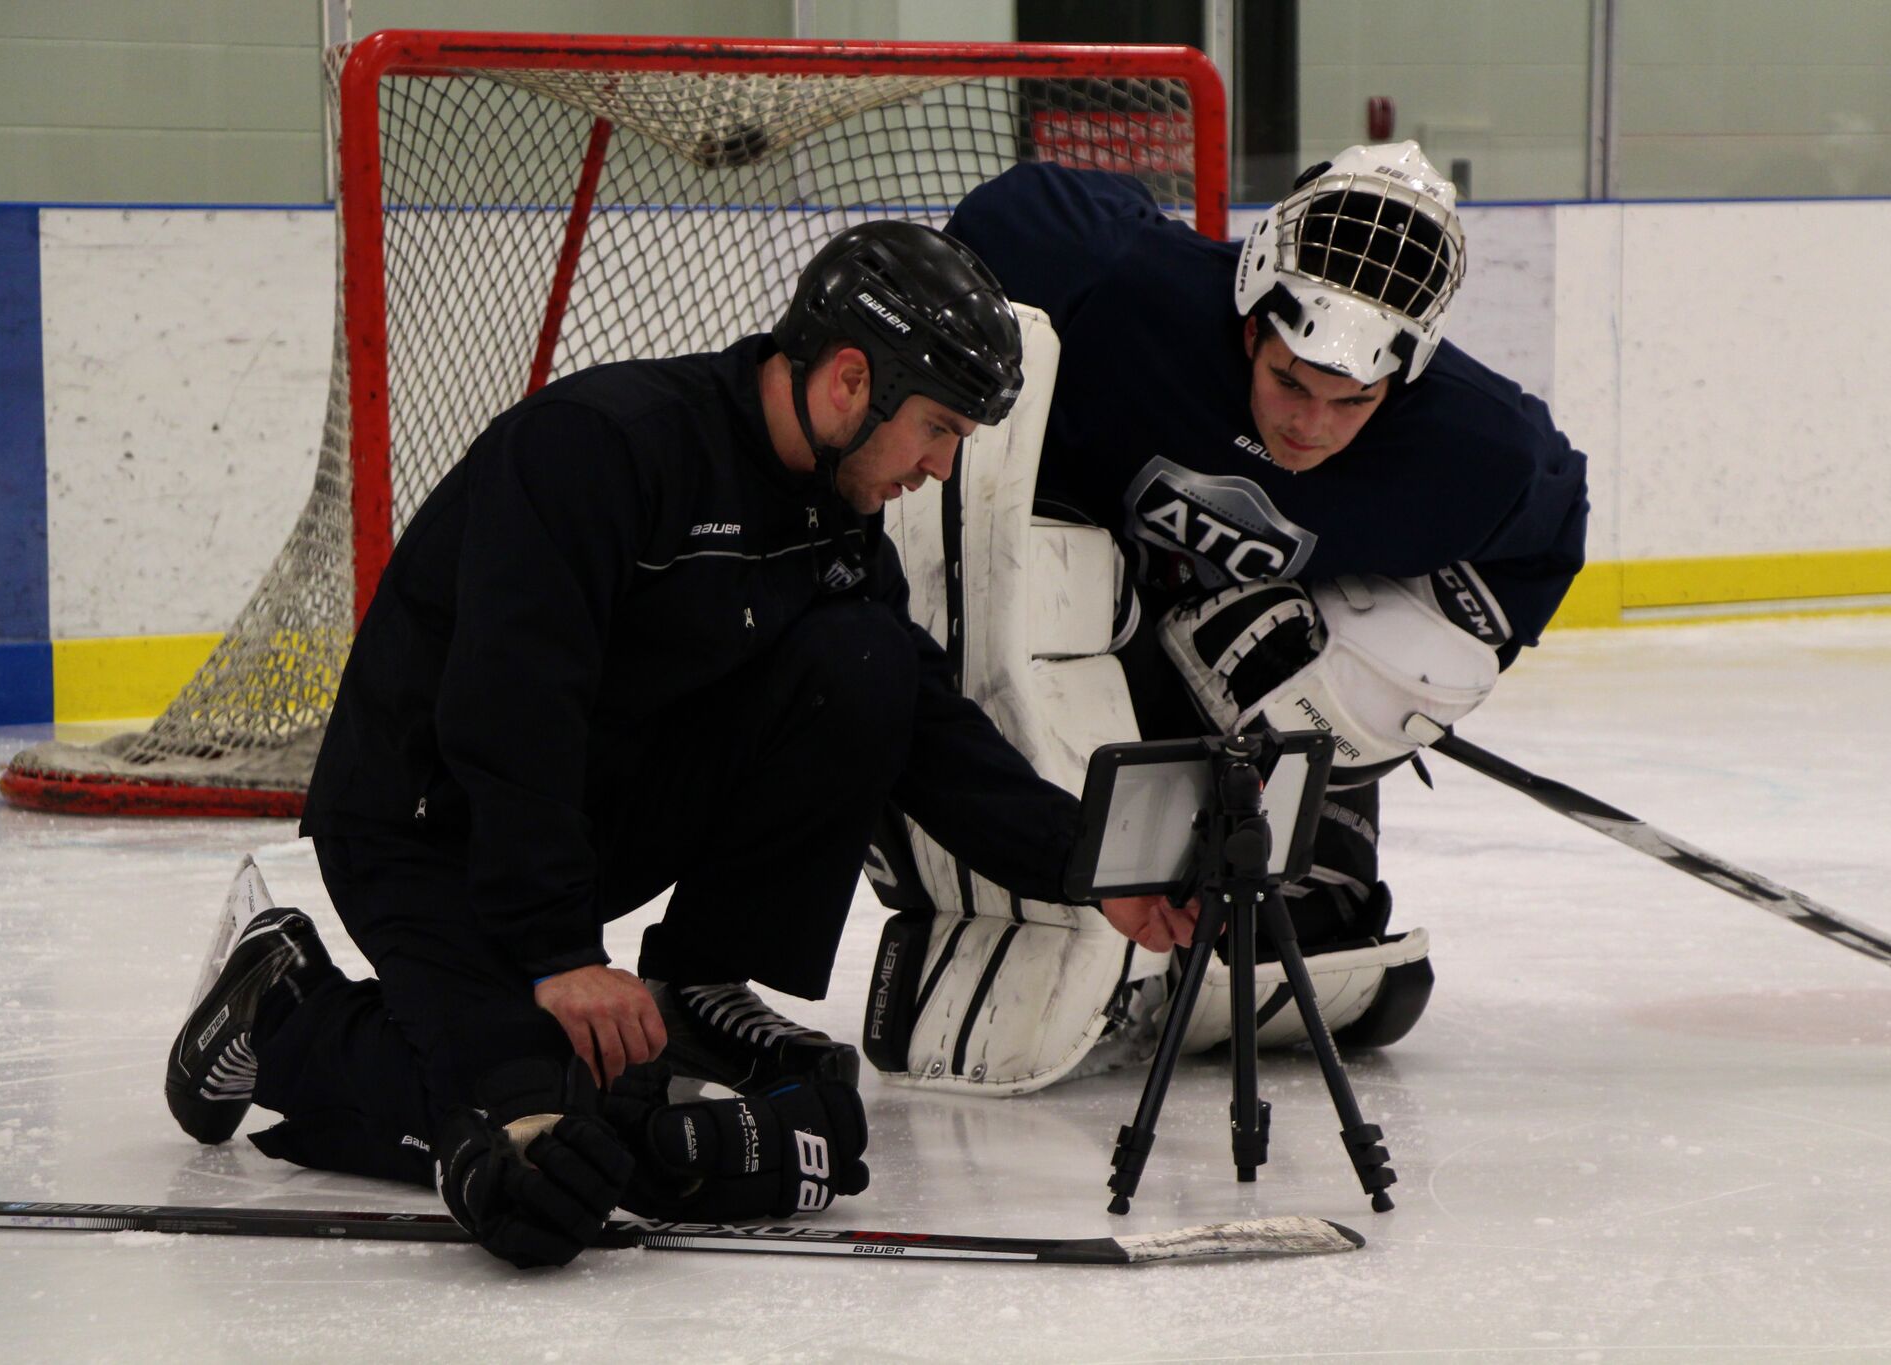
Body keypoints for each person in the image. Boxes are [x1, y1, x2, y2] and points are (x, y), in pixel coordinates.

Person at [162, 221, 1188, 1269]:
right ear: (847, 382)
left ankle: (695, 987)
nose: (938, 466)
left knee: (865, 659)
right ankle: (282, 1003)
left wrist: (1093, 867)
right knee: (551, 1175)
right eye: (936, 429)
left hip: (589, 807)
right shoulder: (600, 447)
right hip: (428, 830)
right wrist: (558, 954)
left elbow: (920, 722)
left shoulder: (828, 510)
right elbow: (511, 706)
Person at [944, 142, 1590, 1038]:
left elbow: (1547, 540)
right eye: (1289, 380)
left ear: (1401, 376)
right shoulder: (1129, 289)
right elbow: (1011, 215)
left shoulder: (1475, 452)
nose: (1308, 425)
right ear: (1251, 324)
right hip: (1079, 624)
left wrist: (1352, 693)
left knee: (1300, 928)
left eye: (1351, 402)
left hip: (1249, 708)